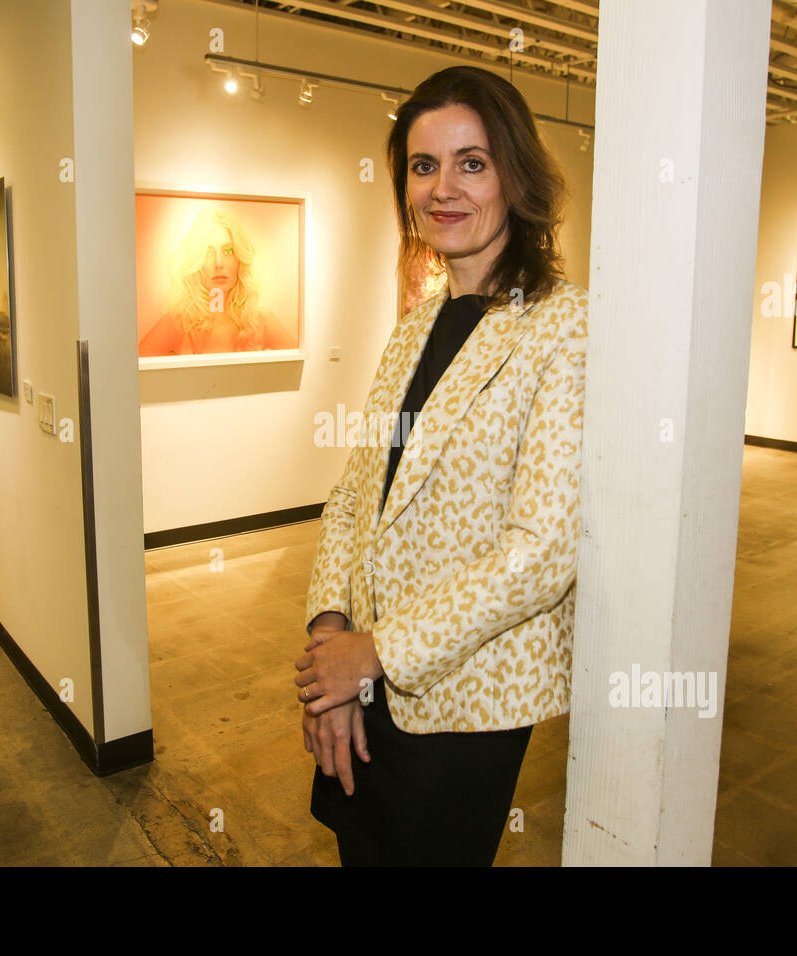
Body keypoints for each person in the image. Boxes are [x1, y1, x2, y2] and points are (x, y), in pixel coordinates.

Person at [295, 65, 589, 866]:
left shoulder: (565, 327)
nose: (443, 189)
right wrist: (333, 648)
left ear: (515, 176)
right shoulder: (416, 325)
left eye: (472, 161)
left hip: (468, 698)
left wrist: (378, 652)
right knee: (362, 848)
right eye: (424, 166)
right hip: (365, 677)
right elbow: (356, 496)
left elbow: (545, 550)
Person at [138, 209, 295, 355]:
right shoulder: (178, 323)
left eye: (228, 251)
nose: (219, 263)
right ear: (196, 262)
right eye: (208, 252)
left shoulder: (260, 321)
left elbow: (301, 368)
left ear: (240, 258)